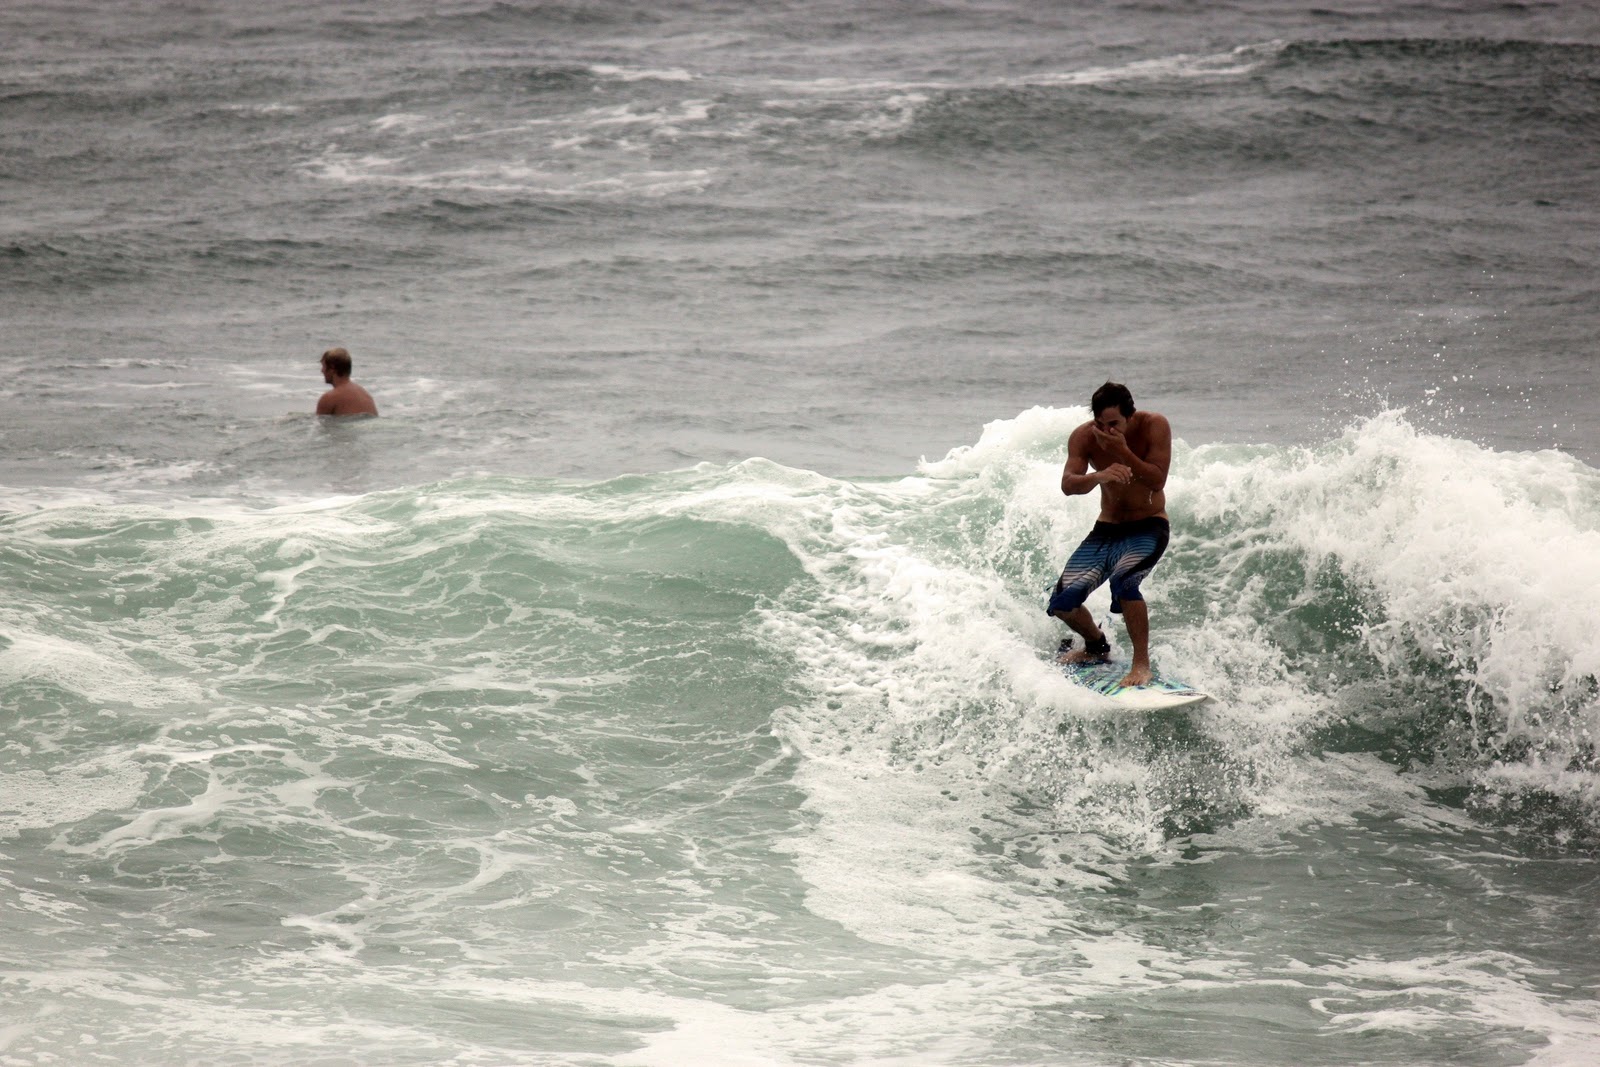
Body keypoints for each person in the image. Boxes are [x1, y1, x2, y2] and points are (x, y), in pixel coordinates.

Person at [1047, 381, 1172, 688]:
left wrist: (1122, 452)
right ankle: (1096, 646)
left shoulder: (1154, 425)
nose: (1106, 431)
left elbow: (1157, 480)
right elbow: (1068, 484)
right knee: (1063, 603)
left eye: (1114, 424)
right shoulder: (1084, 436)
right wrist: (1098, 475)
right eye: (1100, 423)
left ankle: (1141, 665)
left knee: (1125, 582)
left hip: (1148, 525)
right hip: (1107, 528)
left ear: (1130, 415)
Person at [316, 347, 379, 416]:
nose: (322, 371)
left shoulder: (329, 398)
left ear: (332, 368)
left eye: (323, 366)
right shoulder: (366, 395)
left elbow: (320, 423)